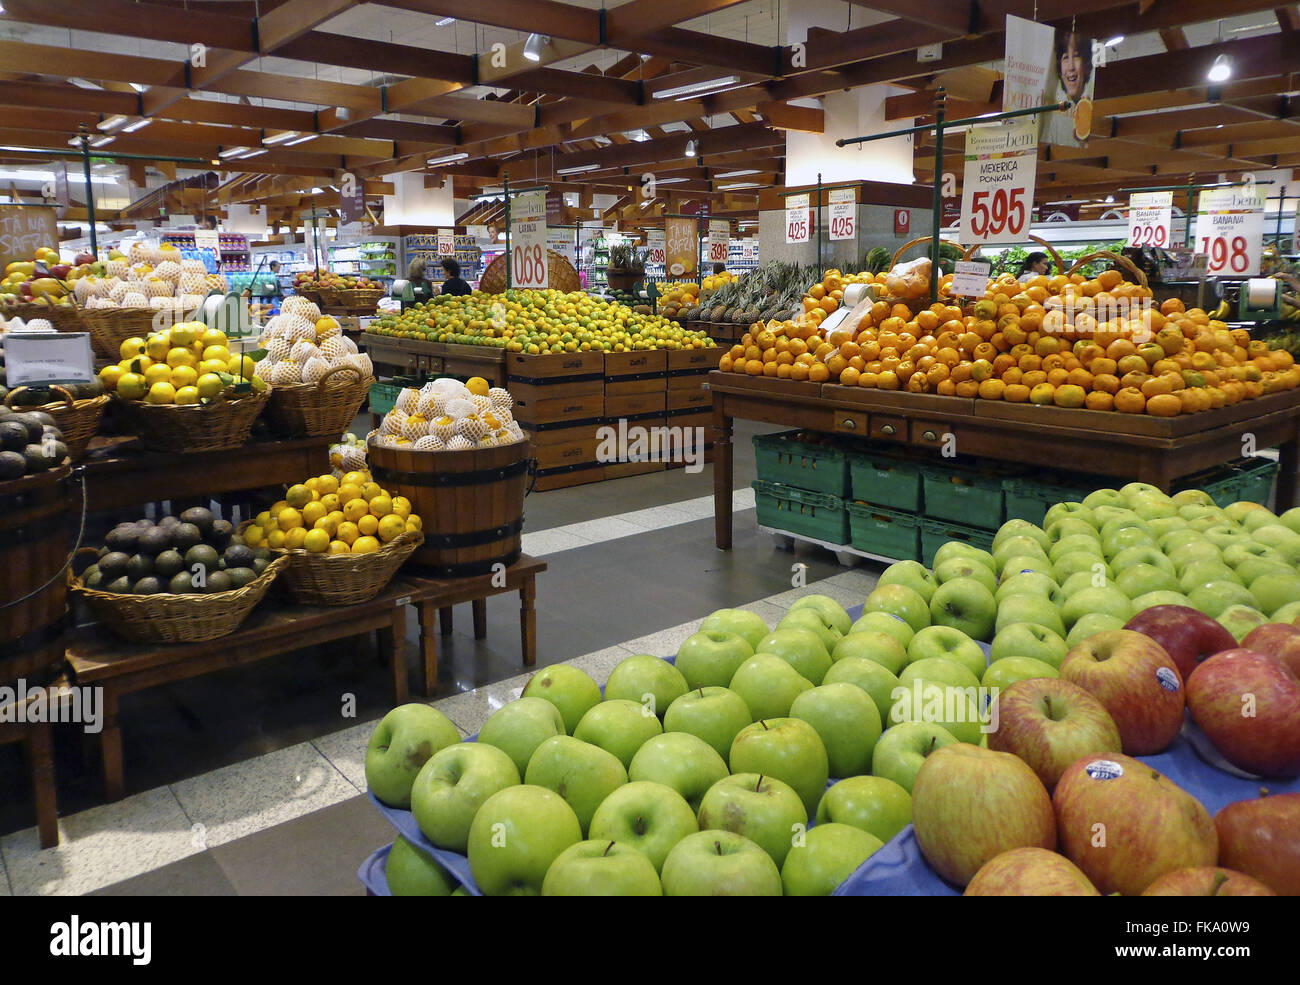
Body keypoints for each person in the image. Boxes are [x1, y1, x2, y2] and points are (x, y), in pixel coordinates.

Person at [1041, 29, 1095, 147]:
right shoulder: (1052, 115)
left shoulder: (1095, 105)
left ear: (1086, 64)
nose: (1071, 67)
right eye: (1065, 57)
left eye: (1076, 57)